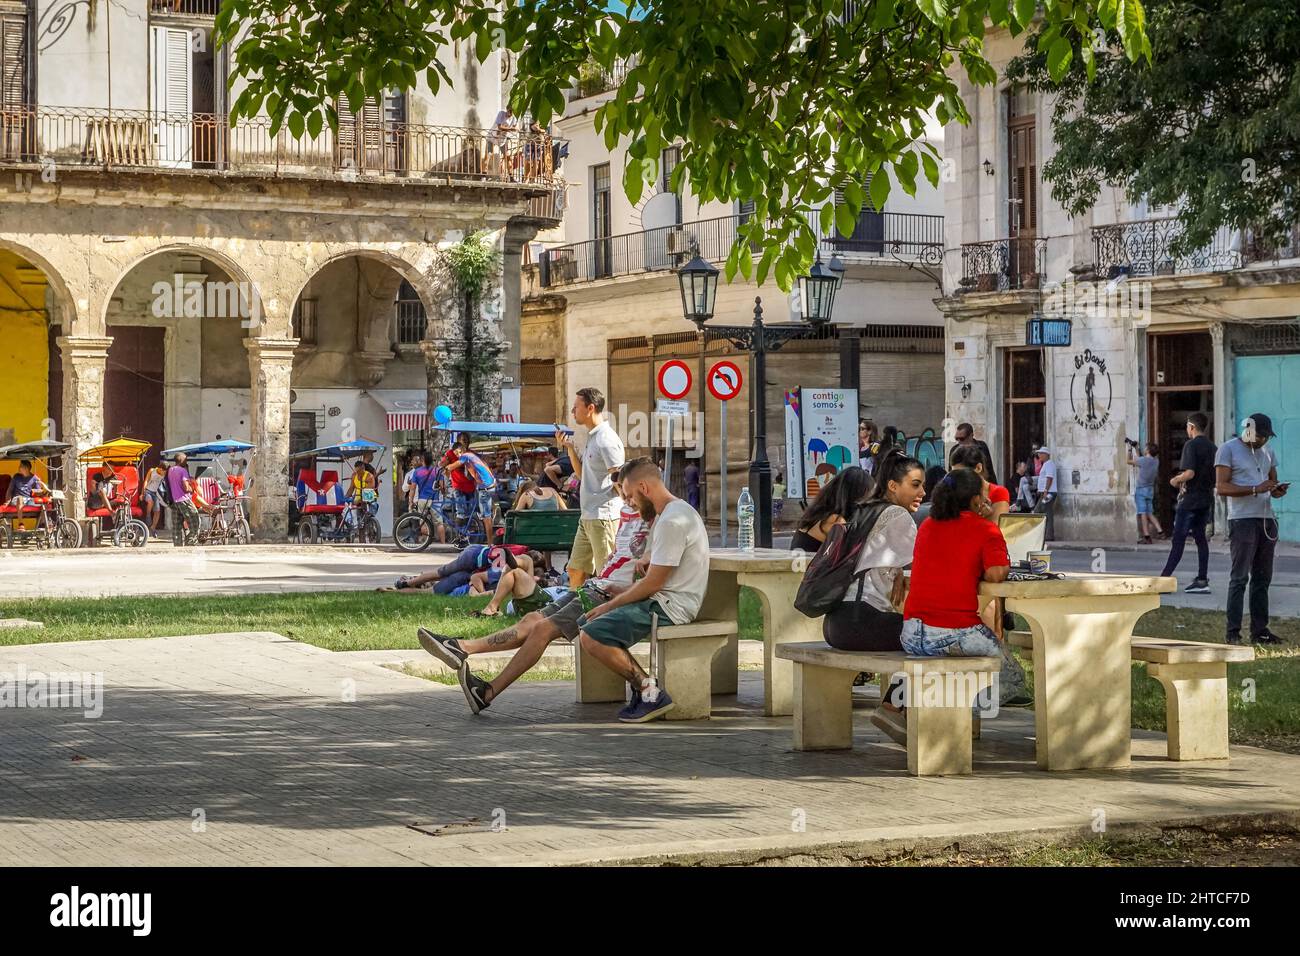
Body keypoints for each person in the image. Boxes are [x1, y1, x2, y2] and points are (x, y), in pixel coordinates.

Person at [417, 464, 656, 713]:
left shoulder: (657, 515)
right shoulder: (629, 511)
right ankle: (464, 653)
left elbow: (651, 562)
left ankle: (481, 681)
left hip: (609, 593)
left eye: (625, 489)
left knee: (542, 629)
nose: (621, 494)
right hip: (597, 586)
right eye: (619, 488)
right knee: (533, 618)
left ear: (642, 487)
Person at [892, 468, 1030, 741]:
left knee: (962, 671)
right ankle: (947, 716)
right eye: (982, 495)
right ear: (977, 500)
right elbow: (996, 573)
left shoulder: (928, 525)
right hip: (952, 632)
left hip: (911, 632)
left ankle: (919, 708)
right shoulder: (985, 529)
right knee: (1013, 677)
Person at [575, 456, 710, 722]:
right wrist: (619, 589)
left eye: (629, 496)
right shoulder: (669, 514)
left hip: (671, 607)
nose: (628, 503)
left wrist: (611, 603)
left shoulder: (673, 520)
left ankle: (649, 691)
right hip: (663, 600)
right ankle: (643, 688)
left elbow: (654, 584)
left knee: (591, 635)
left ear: (644, 488)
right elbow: (656, 581)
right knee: (585, 622)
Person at [1215, 413, 1288, 645]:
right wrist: (1255, 489)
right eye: (1261, 436)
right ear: (1248, 430)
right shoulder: (1228, 449)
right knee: (1239, 578)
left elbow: (1272, 481)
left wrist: (1276, 490)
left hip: (1266, 519)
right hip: (1242, 520)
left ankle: (1260, 631)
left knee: (1262, 578)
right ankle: (1233, 632)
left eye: (1267, 437)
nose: (1264, 440)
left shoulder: (1267, 452)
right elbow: (1222, 487)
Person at [558, 387, 625, 588]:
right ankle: (572, 609)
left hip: (603, 517)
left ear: (590, 408)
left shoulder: (606, 439)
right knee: (575, 568)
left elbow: (619, 478)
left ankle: (606, 615)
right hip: (588, 515)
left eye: (576, 407)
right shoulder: (594, 436)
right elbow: (582, 476)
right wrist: (570, 449)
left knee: (606, 573)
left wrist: (630, 511)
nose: (572, 411)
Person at [1161, 412, 1217, 593]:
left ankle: (1163, 580)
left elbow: (1190, 473)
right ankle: (1202, 580)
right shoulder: (1213, 448)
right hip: (1205, 499)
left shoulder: (1190, 445)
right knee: (1201, 539)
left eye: (1187, 426)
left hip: (1190, 501)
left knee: (1178, 540)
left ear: (1191, 427)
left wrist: (1175, 480)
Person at [789, 466, 873, 552]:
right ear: (857, 496)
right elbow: (853, 553)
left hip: (799, 563)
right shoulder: (835, 520)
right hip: (810, 564)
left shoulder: (819, 513)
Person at [446, 440, 497, 543]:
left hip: (485, 489)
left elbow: (452, 466)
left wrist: (445, 467)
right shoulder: (473, 457)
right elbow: (475, 471)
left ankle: (490, 544)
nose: (457, 456)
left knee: (486, 517)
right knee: (482, 513)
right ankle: (492, 511)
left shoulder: (466, 456)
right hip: (491, 486)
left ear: (460, 450)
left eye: (457, 453)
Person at [473, 550, 548, 618]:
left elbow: (475, 578)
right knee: (518, 567)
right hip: (530, 603)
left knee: (524, 563)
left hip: (541, 605)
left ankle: (492, 608)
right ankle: (492, 608)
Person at [950, 444, 1009, 521]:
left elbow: (997, 529)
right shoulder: (954, 492)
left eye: (962, 474)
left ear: (978, 468)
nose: (958, 479)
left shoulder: (998, 492)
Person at [1126, 440, 1164, 544]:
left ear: (1147, 450)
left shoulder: (1143, 461)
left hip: (1141, 490)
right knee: (1149, 512)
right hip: (1150, 489)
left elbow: (1129, 461)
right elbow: (1141, 459)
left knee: (1142, 513)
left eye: (1146, 448)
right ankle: (1160, 531)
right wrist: (1136, 448)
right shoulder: (1156, 461)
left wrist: (1129, 448)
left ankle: (1146, 536)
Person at [166, 453, 200, 546]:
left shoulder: (170, 470)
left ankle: (178, 546)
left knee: (176, 526)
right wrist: (192, 489)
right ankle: (190, 542)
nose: (187, 461)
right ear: (181, 460)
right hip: (184, 500)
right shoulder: (182, 471)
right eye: (186, 460)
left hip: (175, 501)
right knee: (195, 522)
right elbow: (186, 487)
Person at [950, 422, 998, 486]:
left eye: (962, 439)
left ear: (971, 436)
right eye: (957, 439)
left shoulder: (982, 447)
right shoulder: (954, 450)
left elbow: (989, 470)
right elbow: (951, 472)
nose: (959, 442)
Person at [1032, 447, 1058, 540]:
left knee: (1041, 511)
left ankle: (1047, 535)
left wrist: (1046, 490)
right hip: (1046, 492)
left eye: (1041, 453)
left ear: (1046, 455)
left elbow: (1049, 478)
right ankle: (1047, 535)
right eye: (1039, 453)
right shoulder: (1046, 464)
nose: (1039, 455)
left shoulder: (1049, 464)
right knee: (1046, 512)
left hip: (1049, 493)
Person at [139, 463, 167, 531]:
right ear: (160, 469)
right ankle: (148, 515)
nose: (164, 473)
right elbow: (146, 480)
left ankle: (153, 527)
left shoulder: (164, 474)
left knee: (157, 510)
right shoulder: (152, 470)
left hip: (156, 493)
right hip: (148, 491)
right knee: (150, 502)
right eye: (163, 471)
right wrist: (142, 493)